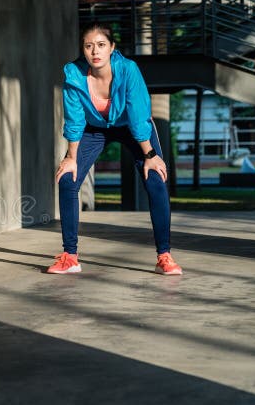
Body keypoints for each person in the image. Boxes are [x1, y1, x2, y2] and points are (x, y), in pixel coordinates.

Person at [47, 22, 183, 275]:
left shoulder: (128, 70)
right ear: (83, 49)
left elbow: (137, 113)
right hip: (94, 127)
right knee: (68, 178)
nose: (94, 51)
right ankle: (70, 256)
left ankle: (164, 256)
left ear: (112, 47)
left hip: (133, 127)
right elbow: (75, 118)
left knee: (155, 178)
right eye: (89, 46)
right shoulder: (74, 75)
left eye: (100, 45)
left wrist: (150, 155)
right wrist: (71, 157)